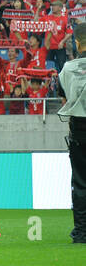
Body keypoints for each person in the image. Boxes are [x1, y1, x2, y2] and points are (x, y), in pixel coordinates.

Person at [54, 22, 86, 243]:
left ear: (76, 42)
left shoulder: (67, 68)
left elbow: (64, 99)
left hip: (79, 128)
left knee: (81, 182)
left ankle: (82, 232)